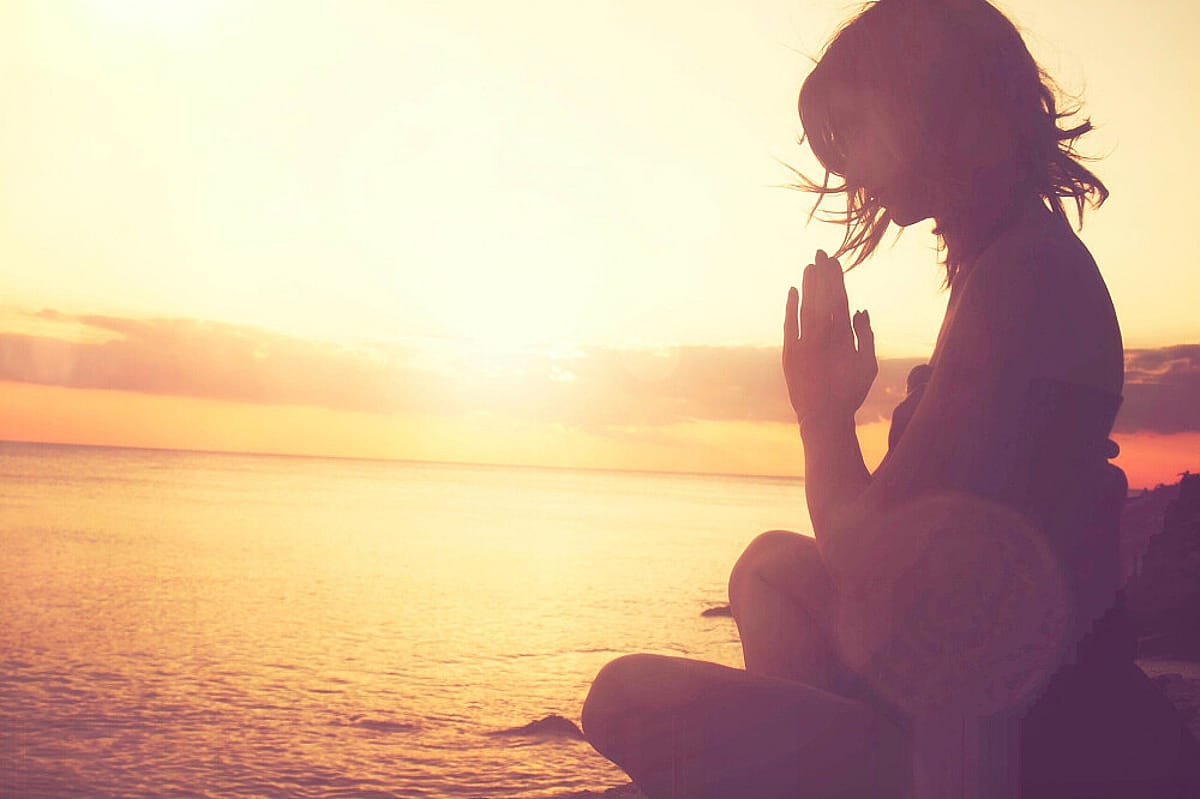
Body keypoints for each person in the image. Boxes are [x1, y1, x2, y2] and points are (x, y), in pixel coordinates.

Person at [580, 0, 1200, 796]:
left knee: (622, 699)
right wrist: (831, 411)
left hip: (1007, 747)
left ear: (938, 108)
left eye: (857, 127)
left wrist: (822, 416)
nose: (849, 164)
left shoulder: (1023, 277)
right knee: (769, 567)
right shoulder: (1005, 262)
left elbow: (864, 554)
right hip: (958, 692)